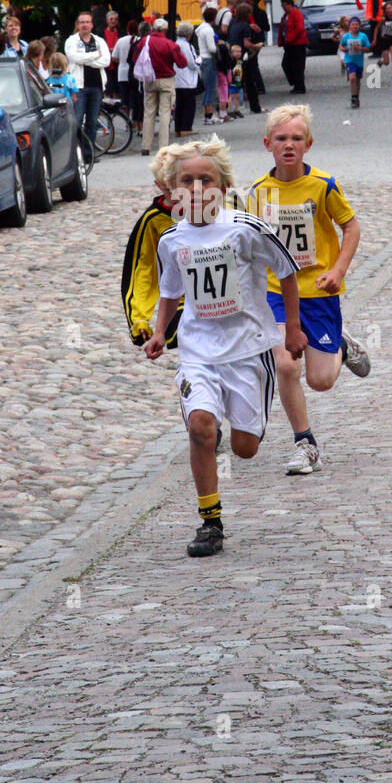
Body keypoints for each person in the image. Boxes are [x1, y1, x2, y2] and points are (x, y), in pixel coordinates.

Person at [145, 137, 306, 557]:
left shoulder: (246, 229)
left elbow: (287, 272)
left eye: (206, 179)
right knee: (200, 428)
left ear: (223, 185)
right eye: (187, 181)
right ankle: (210, 523)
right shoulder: (171, 241)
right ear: (171, 190)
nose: (197, 188)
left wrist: (292, 329)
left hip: (249, 351)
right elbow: (170, 292)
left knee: (245, 449)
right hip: (198, 351)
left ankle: (239, 424)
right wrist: (161, 332)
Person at [246, 105, 370, 477]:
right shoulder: (258, 192)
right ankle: (305, 443)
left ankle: (343, 347)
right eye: (281, 139)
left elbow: (351, 228)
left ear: (308, 144)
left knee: (320, 381)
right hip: (276, 293)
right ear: (268, 144)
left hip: (317, 291)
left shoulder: (323, 185)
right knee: (285, 364)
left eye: (296, 139)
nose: (289, 145)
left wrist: (338, 269)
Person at [122, 145, 182, 348]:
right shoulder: (152, 220)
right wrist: (139, 317)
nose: (176, 194)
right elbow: (143, 269)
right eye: (168, 189)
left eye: (180, 185)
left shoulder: (215, 208)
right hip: (179, 304)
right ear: (158, 185)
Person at [139, 17, 188, 155]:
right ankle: (163, 146)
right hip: (166, 79)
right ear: (165, 30)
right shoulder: (169, 44)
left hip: (149, 79)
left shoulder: (144, 41)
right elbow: (182, 63)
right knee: (164, 113)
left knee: (149, 112)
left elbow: (134, 57)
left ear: (153, 28)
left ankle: (146, 146)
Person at [66, 11, 111, 151]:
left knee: (92, 122)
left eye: (87, 22)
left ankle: (88, 153)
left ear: (91, 25)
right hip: (78, 87)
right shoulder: (71, 41)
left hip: (96, 86)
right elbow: (74, 58)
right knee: (78, 120)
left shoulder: (99, 41)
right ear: (78, 25)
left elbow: (106, 61)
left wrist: (86, 59)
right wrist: (95, 55)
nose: (85, 25)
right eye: (82, 22)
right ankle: (75, 152)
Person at [337, 16, 372, 108]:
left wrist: (360, 48)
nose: (354, 26)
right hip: (349, 60)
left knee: (358, 79)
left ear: (359, 26)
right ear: (349, 26)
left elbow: (368, 48)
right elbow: (341, 45)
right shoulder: (346, 36)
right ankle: (353, 97)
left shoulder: (363, 36)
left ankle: (357, 97)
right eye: (353, 24)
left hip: (359, 61)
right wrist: (344, 49)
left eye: (356, 24)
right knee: (352, 78)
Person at [173, 22, 200, 137]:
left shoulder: (175, 43)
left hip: (177, 79)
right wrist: (200, 60)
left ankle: (177, 128)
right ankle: (186, 127)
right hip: (187, 79)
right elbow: (191, 62)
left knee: (179, 104)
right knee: (189, 105)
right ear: (189, 34)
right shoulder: (187, 45)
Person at [278, 0, 307, 93]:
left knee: (297, 66)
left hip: (297, 44)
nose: (283, 8)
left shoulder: (296, 13)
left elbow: (299, 28)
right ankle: (296, 84)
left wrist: (289, 39)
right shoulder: (286, 15)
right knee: (287, 64)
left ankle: (299, 86)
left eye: (284, 5)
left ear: (289, 4)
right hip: (290, 44)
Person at [196, 7, 220, 127]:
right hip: (209, 60)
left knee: (207, 88)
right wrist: (219, 46)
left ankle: (207, 115)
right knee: (211, 88)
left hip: (202, 59)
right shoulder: (209, 30)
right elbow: (212, 48)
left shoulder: (201, 29)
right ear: (214, 17)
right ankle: (209, 116)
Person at [111, 19, 138, 116]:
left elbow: (114, 57)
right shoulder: (138, 40)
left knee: (125, 99)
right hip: (135, 73)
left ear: (127, 29)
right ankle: (133, 117)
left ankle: (127, 119)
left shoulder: (121, 41)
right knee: (134, 98)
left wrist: (121, 61)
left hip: (122, 73)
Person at [104, 11, 120, 97]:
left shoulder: (121, 33)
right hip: (106, 64)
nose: (113, 21)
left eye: (115, 19)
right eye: (111, 19)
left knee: (117, 89)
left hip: (117, 65)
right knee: (107, 88)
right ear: (107, 21)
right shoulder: (101, 33)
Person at [227, 44, 245, 117]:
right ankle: (230, 110)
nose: (238, 53)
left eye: (240, 52)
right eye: (236, 52)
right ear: (232, 53)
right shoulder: (231, 60)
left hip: (238, 80)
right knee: (231, 96)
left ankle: (236, 109)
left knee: (237, 95)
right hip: (232, 80)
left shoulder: (240, 61)